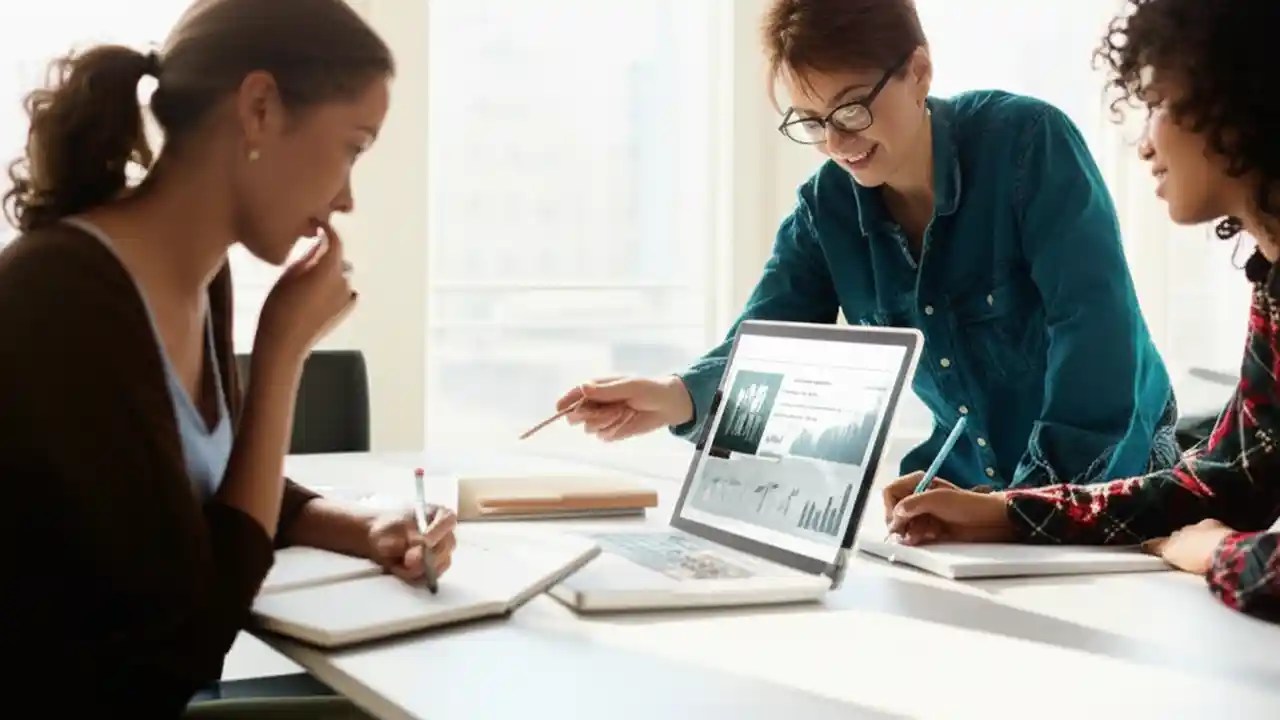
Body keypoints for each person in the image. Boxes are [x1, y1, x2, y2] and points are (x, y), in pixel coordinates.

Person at [0, 0, 457, 715]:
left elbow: (204, 498)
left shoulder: (199, 277)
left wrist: (364, 528)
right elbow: (184, 643)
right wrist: (281, 356)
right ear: (261, 108)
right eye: (354, 146)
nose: (346, 198)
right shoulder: (62, 298)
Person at [554, 0, 1178, 492]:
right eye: (809, 120)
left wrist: (1027, 508)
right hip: (964, 493)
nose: (835, 141)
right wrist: (672, 397)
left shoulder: (1026, 144)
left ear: (919, 72)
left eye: (850, 110)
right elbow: (768, 345)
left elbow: (1096, 331)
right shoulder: (826, 209)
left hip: (1112, 483)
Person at [884, 0, 1280, 623]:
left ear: (1240, 104)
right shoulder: (1273, 283)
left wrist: (1216, 553)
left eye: (1162, 106)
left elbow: (1245, 539)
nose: (1145, 142)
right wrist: (1005, 511)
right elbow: (1229, 479)